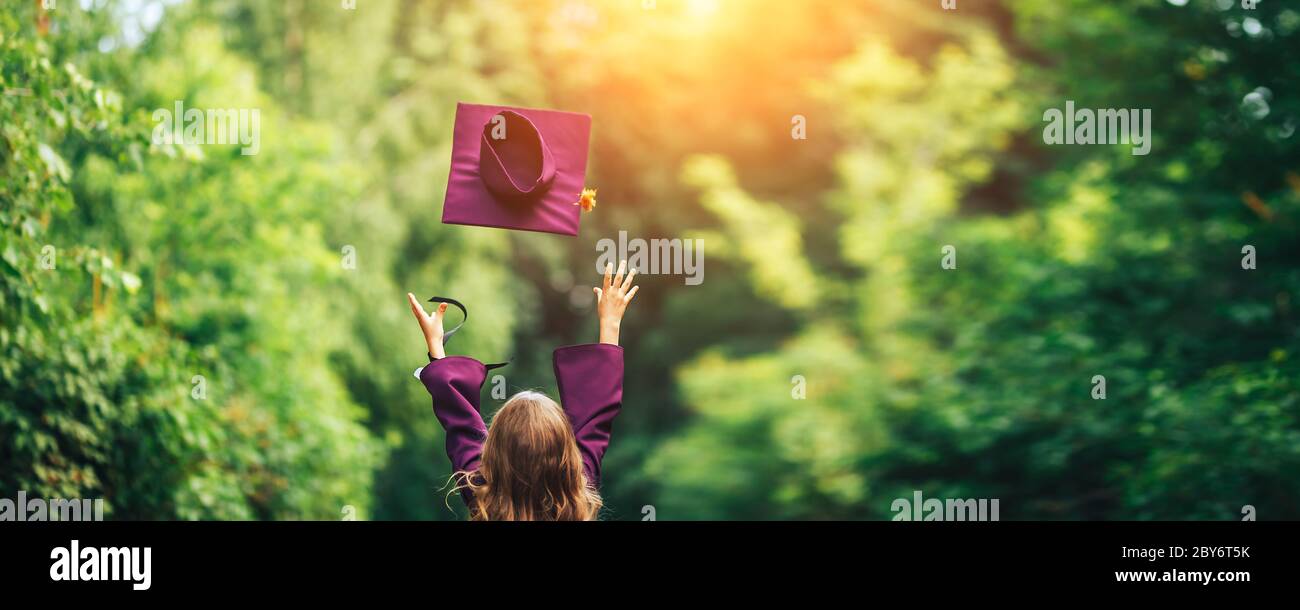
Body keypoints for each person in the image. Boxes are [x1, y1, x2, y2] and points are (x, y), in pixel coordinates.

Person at [406, 261, 639, 521]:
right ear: (565, 455)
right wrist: (610, 322)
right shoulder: (578, 496)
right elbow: (597, 411)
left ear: (493, 451)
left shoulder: (483, 497)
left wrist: (436, 346)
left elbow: (461, 422)